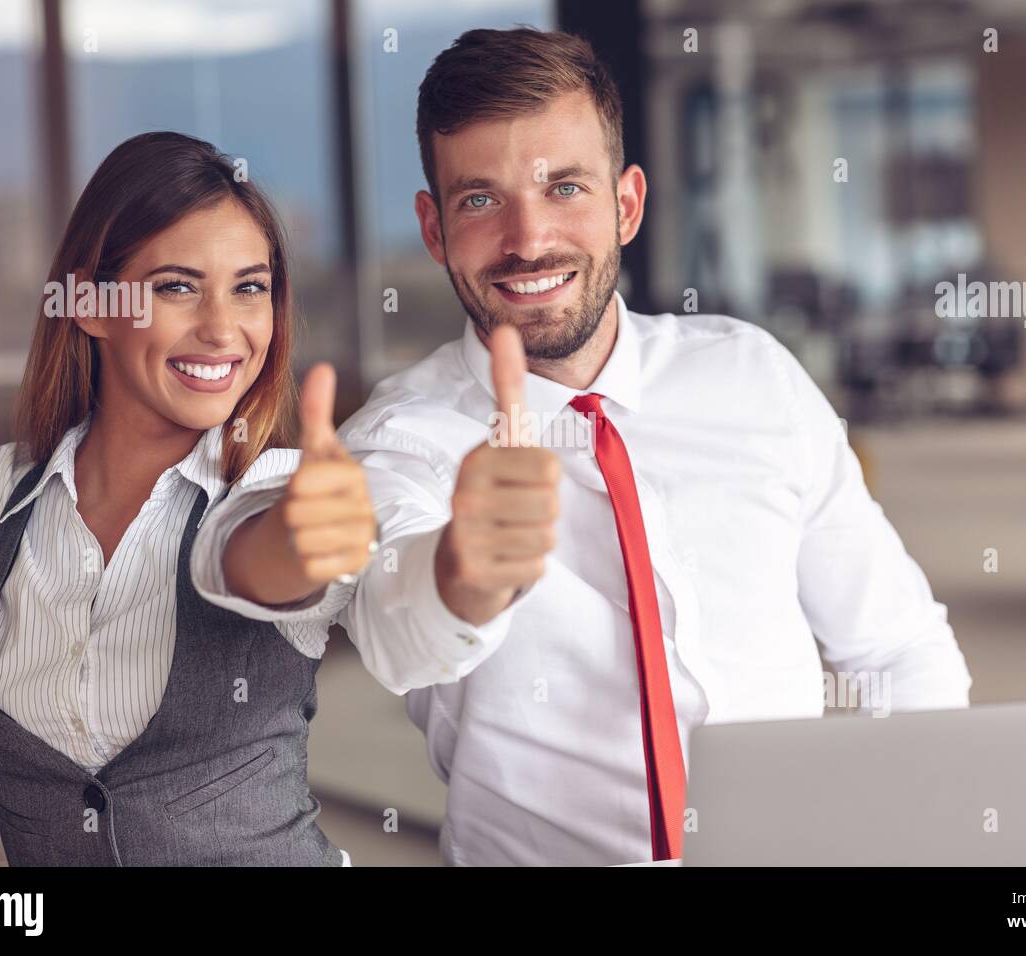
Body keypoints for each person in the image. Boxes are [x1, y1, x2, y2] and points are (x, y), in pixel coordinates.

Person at [215, 28, 973, 867]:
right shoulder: (402, 438)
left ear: (627, 204)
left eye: (564, 187)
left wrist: (921, 835)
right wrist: (464, 573)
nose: (528, 237)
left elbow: (895, 649)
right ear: (433, 229)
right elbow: (399, 638)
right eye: (480, 200)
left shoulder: (754, 378)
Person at [0, 132, 375, 867]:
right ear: (88, 305)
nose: (222, 329)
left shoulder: (280, 492)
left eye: (250, 287)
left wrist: (305, 544)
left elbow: (274, 559)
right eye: (177, 286)